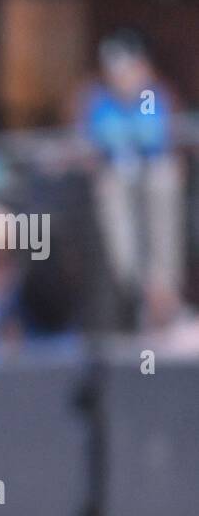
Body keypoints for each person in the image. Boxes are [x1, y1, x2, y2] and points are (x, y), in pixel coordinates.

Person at [79, 29, 187, 330]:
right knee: (114, 195)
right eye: (115, 69)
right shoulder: (99, 99)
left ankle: (163, 297)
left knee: (162, 178)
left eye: (126, 67)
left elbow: (154, 134)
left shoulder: (152, 94)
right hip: (117, 181)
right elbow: (94, 137)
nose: (120, 75)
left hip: (153, 176)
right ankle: (143, 296)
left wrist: (134, 104)